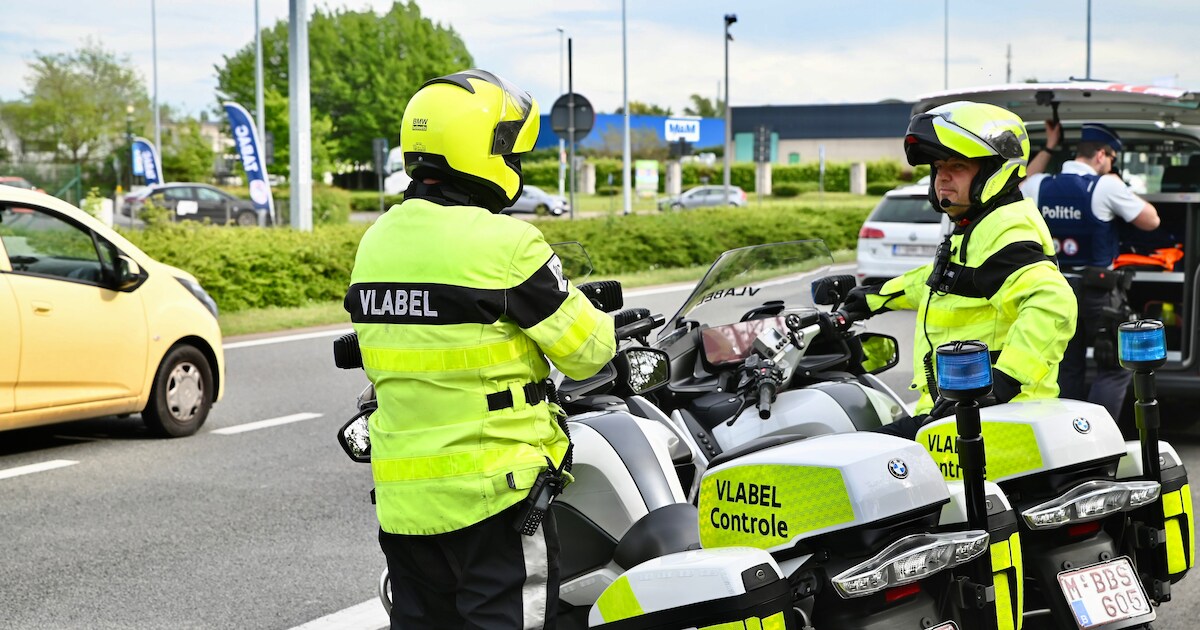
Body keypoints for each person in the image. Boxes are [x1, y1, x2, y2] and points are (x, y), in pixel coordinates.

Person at [344, 69, 616, 629]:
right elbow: (589, 353)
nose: (515, 168)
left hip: (405, 502)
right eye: (511, 154)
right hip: (498, 498)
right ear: (481, 151)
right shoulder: (506, 245)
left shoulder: (377, 241)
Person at [841, 101, 1077, 439]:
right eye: (938, 166)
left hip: (997, 421)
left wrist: (1002, 382)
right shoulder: (978, 225)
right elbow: (948, 282)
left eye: (958, 165)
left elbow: (1055, 303)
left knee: (856, 455)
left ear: (995, 171)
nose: (942, 177)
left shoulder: (1007, 229)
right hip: (958, 410)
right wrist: (874, 298)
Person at [1020, 121, 1160, 419]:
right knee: (1115, 367)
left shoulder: (1038, 185)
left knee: (1067, 365)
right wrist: (1118, 183)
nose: (1110, 166)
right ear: (1100, 155)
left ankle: (1070, 439)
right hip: (1097, 292)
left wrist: (1048, 148)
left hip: (1054, 291)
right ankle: (1098, 435)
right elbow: (1152, 221)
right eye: (1111, 159)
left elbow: (1014, 187)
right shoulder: (1106, 185)